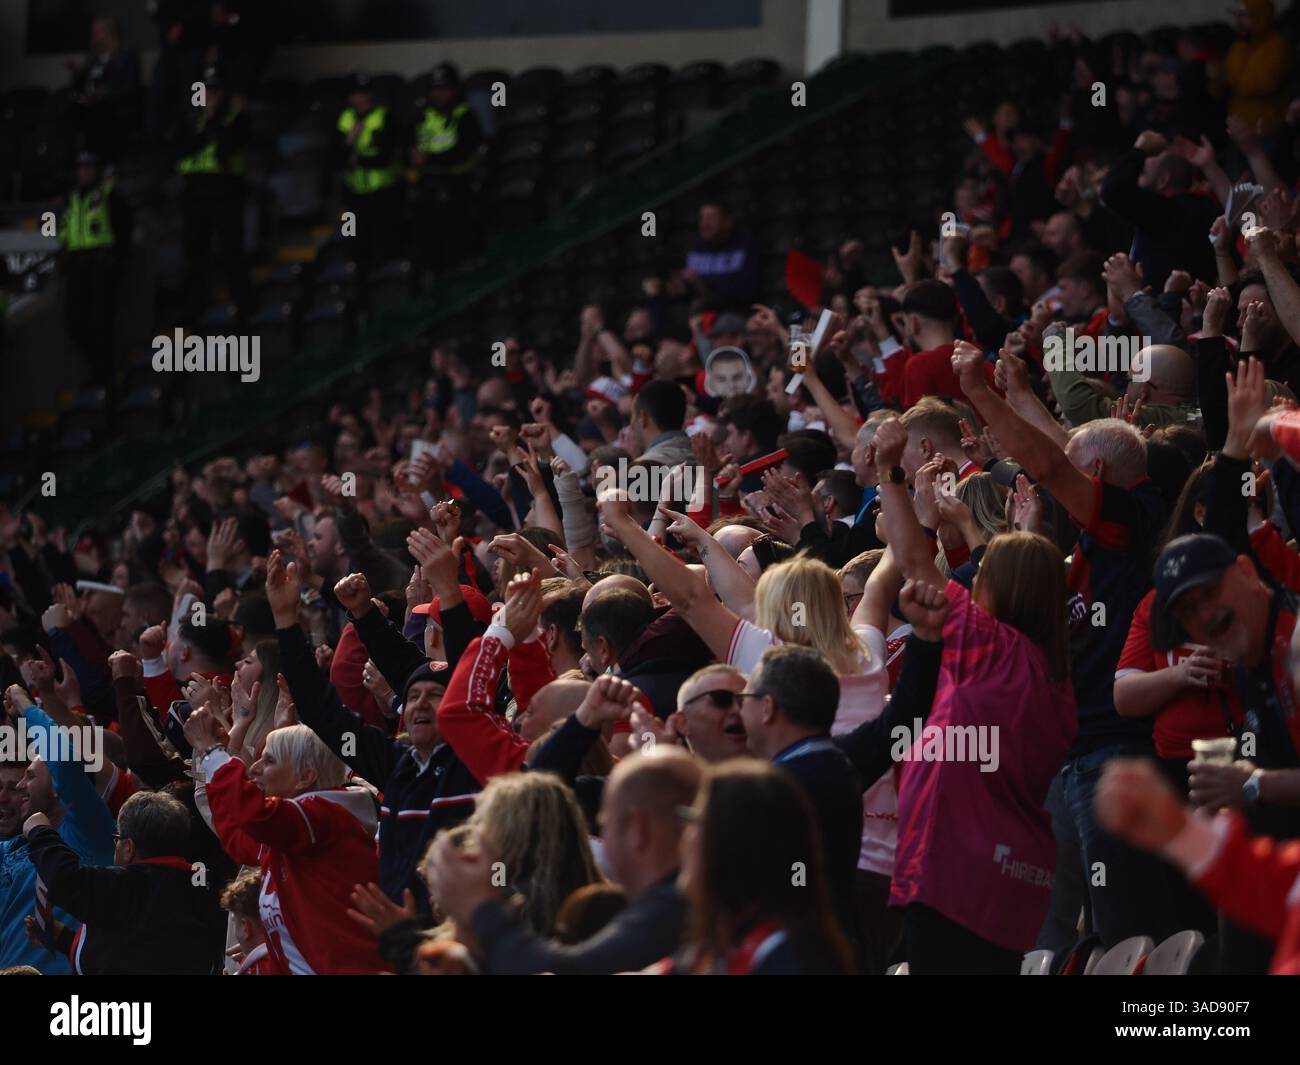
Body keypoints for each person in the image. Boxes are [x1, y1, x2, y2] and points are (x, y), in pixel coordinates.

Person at [431, 738, 700, 974]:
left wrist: (481, 910)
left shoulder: (670, 908)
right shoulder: (648, 901)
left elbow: (566, 970)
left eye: (605, 825)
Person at [185, 710, 388, 974]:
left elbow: (255, 816)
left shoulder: (323, 817)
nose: (254, 768)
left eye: (269, 760)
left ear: (305, 777)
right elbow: (237, 836)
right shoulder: (290, 834)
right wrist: (216, 764)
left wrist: (213, 754)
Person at [656, 760, 855, 974]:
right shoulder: (717, 949)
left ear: (733, 845)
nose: (685, 835)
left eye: (694, 820)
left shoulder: (783, 957)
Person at [23, 790, 225, 974]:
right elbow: (137, 953)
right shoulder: (205, 889)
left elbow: (64, 878)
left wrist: (39, 831)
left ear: (128, 848)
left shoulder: (126, 886)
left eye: (117, 838)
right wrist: (62, 938)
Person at [175, 65, 250, 320]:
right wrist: (206, 129)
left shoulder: (236, 118)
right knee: (195, 254)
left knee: (231, 251)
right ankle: (194, 310)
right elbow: (180, 149)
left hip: (226, 190)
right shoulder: (190, 119)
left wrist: (211, 125)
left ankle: (243, 307)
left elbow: (227, 146)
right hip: (195, 191)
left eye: (215, 91)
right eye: (206, 91)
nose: (210, 97)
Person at [59, 151, 131, 395]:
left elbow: (124, 229)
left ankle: (104, 375)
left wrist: (115, 260)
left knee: (102, 322)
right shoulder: (71, 198)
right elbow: (63, 229)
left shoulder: (109, 195)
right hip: (78, 266)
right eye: (81, 168)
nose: (84, 172)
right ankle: (99, 368)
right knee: (74, 321)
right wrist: (65, 254)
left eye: (89, 168)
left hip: (101, 266)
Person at [410, 62, 484, 279]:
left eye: (444, 88)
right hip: (427, 188)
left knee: (455, 246)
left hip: (457, 188)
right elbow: (412, 147)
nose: (439, 94)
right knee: (429, 247)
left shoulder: (465, 116)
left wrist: (429, 159)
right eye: (435, 89)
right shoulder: (424, 117)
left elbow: (462, 152)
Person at [337, 73, 402, 271]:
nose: (361, 98)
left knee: (384, 244)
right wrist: (349, 141)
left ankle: (386, 280)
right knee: (352, 239)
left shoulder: (385, 117)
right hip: (352, 194)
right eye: (356, 94)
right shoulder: (343, 119)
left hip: (382, 192)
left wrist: (357, 160)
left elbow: (385, 157)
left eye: (365, 93)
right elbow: (334, 158)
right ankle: (355, 274)